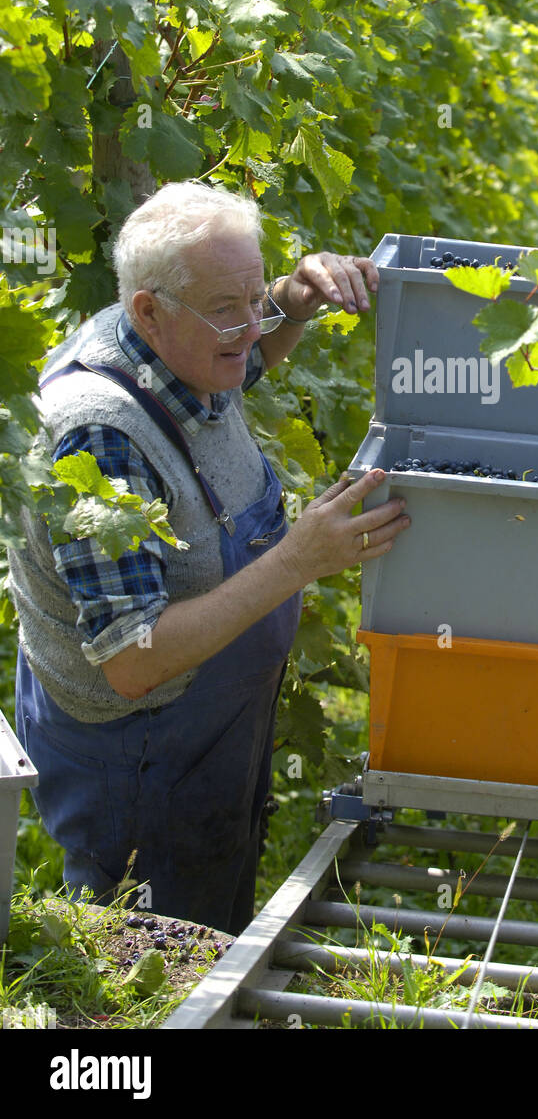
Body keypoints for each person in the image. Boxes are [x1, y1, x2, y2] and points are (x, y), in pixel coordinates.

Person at [7, 181, 409, 934]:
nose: (252, 326)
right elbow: (132, 659)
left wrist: (297, 297)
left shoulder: (178, 348)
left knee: (211, 927)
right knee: (152, 963)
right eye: (229, 307)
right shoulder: (99, 438)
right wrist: (295, 561)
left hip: (206, 720)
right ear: (147, 313)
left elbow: (236, 363)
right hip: (138, 754)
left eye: (256, 296)